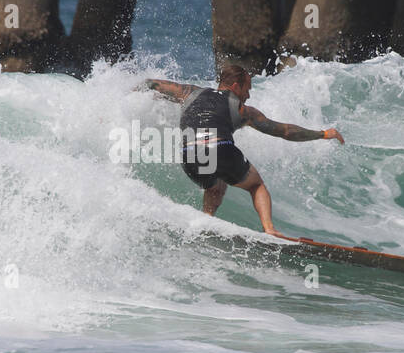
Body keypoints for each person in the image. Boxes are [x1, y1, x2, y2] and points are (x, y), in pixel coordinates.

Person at [140, 64, 344, 236]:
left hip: (189, 154)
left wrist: (125, 96)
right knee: (256, 185)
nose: (248, 94)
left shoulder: (188, 92)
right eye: (247, 88)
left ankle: (206, 224)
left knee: (215, 186)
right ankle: (270, 229)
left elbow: (152, 84)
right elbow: (286, 132)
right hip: (219, 148)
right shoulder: (242, 110)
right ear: (236, 86)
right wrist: (323, 134)